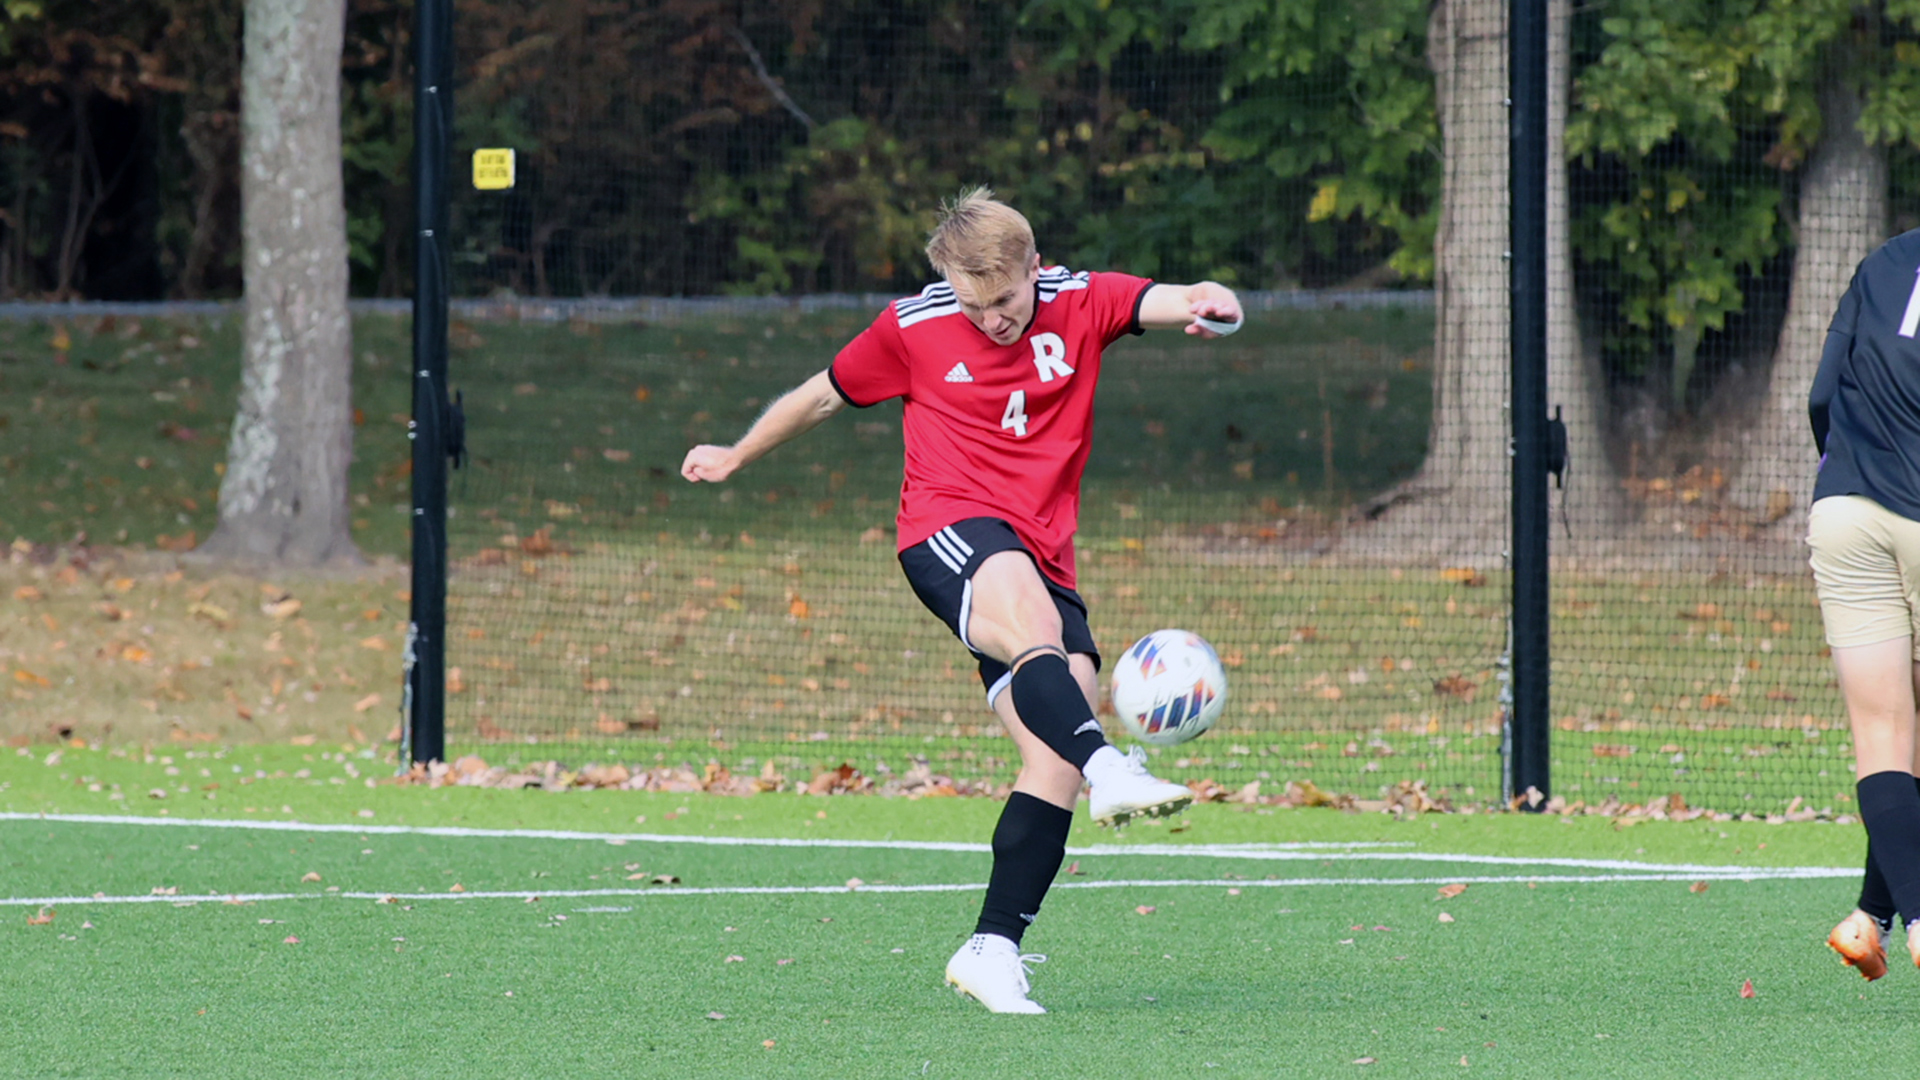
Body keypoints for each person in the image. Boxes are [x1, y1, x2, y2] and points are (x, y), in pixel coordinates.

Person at [681, 187, 1245, 1013]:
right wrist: (737, 453)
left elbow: (1174, 301)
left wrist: (1213, 304)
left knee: (1050, 749)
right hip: (948, 529)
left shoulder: (1079, 300)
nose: (994, 321)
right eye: (976, 306)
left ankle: (992, 946)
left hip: (1043, 551)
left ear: (1035, 268)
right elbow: (824, 393)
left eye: (1007, 300)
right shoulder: (913, 326)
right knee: (1048, 657)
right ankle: (1110, 768)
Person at [1807, 225, 1920, 981]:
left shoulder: (1889, 259)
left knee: (1887, 733)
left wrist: (1849, 466)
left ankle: (1873, 915)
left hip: (1845, 511)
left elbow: (1822, 393)